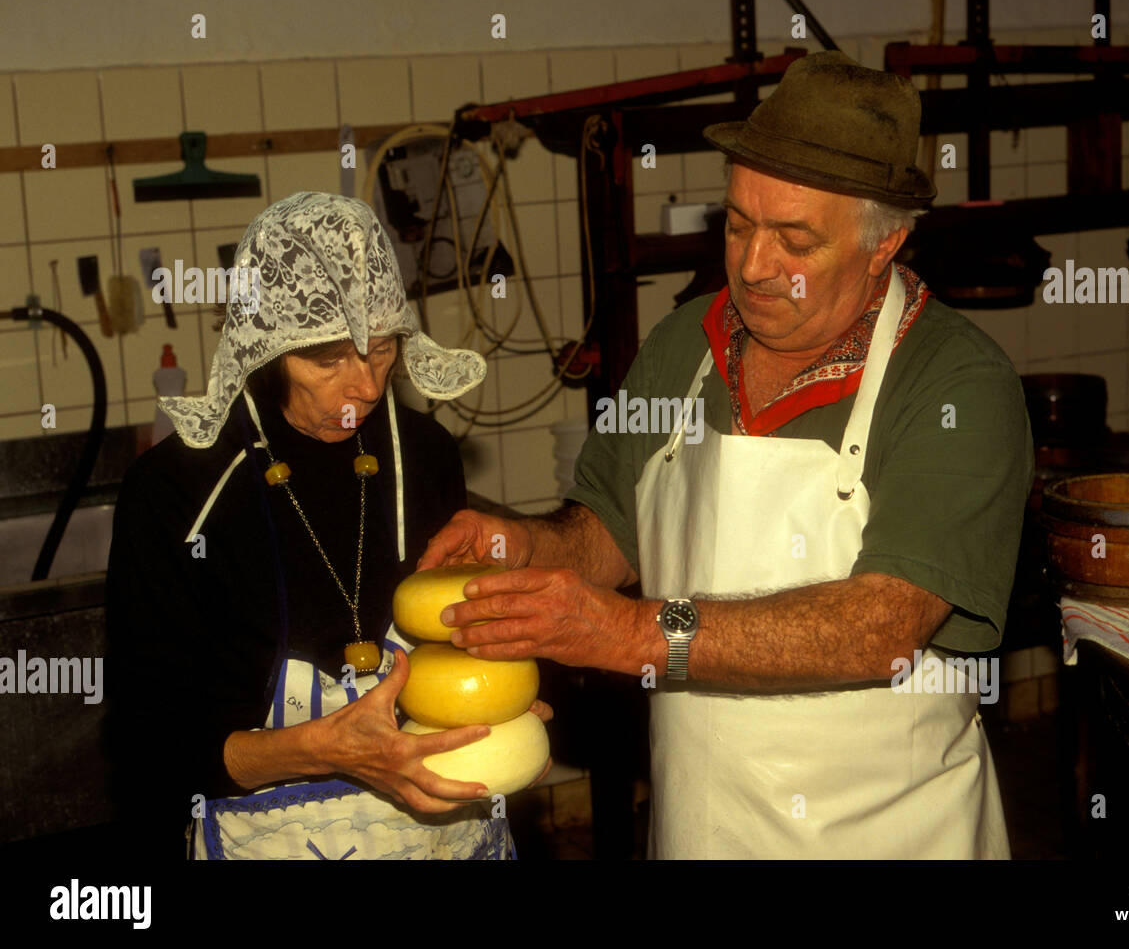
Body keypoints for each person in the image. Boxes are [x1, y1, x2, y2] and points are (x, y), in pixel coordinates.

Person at [418, 52, 1034, 859]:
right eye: (739, 223)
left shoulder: (958, 384)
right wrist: (522, 553)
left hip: (889, 836)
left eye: (795, 240)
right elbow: (610, 525)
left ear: (883, 246)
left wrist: (634, 634)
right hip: (699, 829)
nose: (751, 266)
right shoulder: (686, 344)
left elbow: (880, 625)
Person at [107, 191, 549, 860]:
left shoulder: (422, 456)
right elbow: (148, 751)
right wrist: (320, 750)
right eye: (328, 359)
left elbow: (453, 649)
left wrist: (499, 720)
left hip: (443, 839)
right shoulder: (177, 492)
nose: (367, 386)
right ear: (267, 349)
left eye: (380, 350)